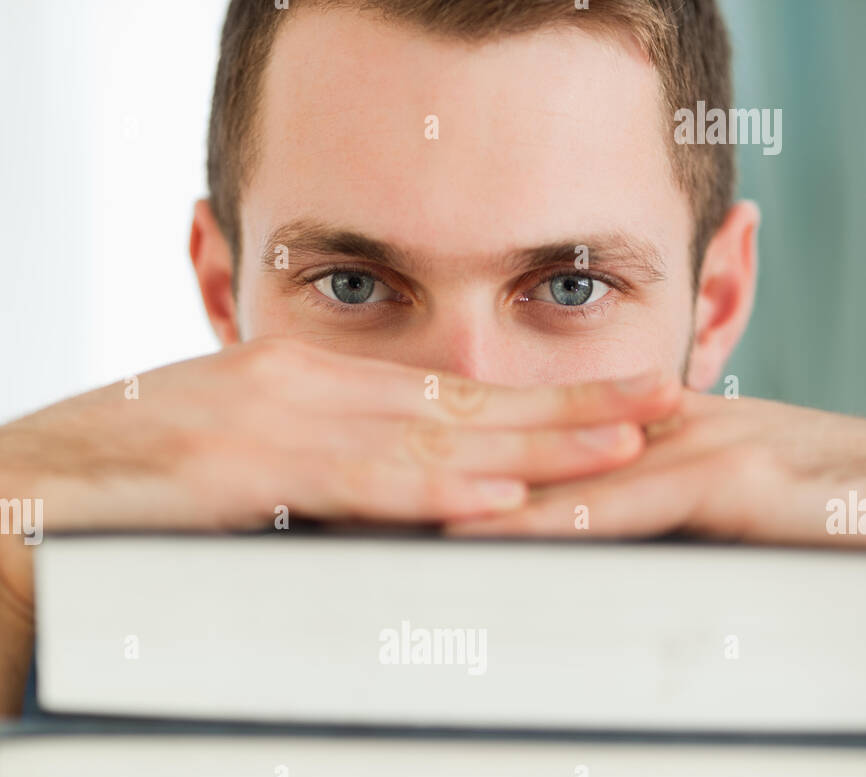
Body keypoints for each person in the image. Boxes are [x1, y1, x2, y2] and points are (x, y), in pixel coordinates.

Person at [1, 0, 865, 721]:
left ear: (713, 304)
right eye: (350, 285)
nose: (458, 400)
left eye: (570, 288)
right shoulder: (93, 658)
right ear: (226, 293)